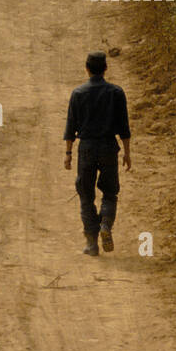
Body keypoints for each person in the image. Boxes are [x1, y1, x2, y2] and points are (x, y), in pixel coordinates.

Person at [64, 51, 131, 256]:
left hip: (87, 148)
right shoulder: (116, 93)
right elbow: (124, 128)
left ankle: (92, 243)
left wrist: (68, 153)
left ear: (86, 68)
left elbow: (70, 128)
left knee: (86, 195)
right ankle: (106, 226)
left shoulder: (78, 93)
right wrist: (127, 153)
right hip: (109, 147)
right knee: (110, 192)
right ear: (105, 69)